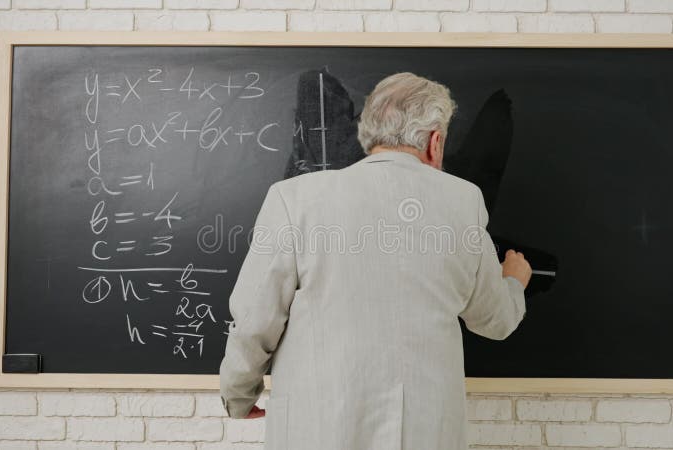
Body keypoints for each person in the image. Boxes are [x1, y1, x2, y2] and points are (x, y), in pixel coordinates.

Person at [219, 72, 532, 450]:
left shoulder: (294, 198)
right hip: (423, 432)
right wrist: (513, 280)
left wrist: (238, 395)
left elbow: (255, 317)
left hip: (317, 430)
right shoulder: (462, 201)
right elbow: (493, 320)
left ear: (368, 134)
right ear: (435, 142)